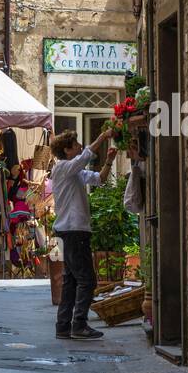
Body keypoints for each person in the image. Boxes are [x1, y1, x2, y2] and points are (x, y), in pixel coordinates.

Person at [50, 127, 116, 340]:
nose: (80, 146)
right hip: (73, 231)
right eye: (76, 144)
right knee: (87, 280)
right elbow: (86, 155)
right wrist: (103, 136)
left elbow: (100, 179)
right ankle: (79, 324)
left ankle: (63, 326)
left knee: (71, 280)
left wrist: (108, 160)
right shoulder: (62, 168)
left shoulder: (73, 171)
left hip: (70, 231)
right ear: (67, 150)